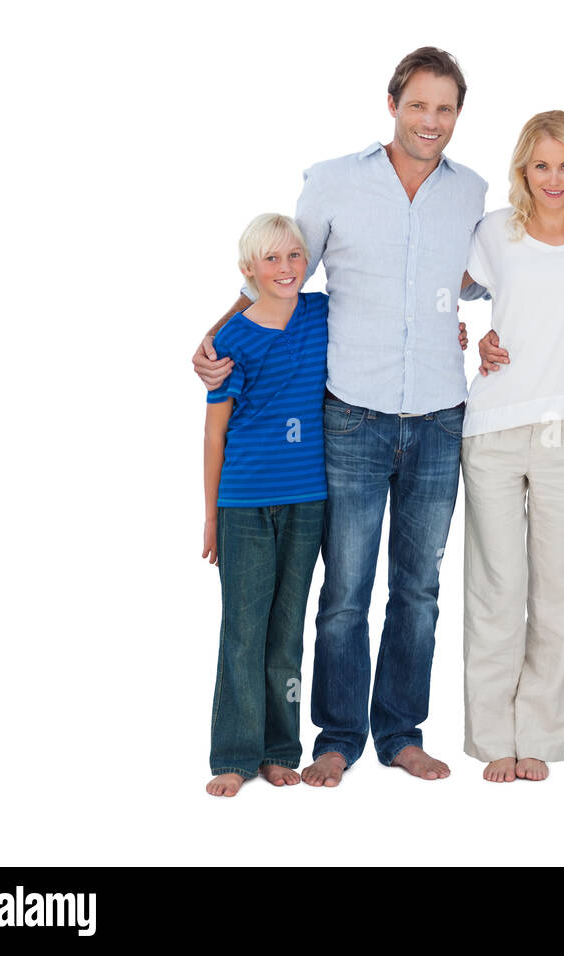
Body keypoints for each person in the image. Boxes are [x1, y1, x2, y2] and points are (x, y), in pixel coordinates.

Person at [192, 47, 485, 786]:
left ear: (457, 115)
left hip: (440, 419)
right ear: (392, 105)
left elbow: (485, 277)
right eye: (418, 105)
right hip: (352, 417)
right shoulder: (333, 183)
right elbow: (280, 269)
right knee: (345, 591)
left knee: (418, 590)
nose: (431, 120)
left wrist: (491, 329)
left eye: (445, 108)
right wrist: (214, 337)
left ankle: (401, 731)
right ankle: (338, 735)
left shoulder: (472, 191)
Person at [459, 111, 564, 783]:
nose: (553, 178)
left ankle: (542, 738)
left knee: (559, 590)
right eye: (540, 165)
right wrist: (475, 335)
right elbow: (452, 292)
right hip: (493, 426)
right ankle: (494, 736)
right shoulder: (495, 230)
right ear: (523, 169)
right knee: (497, 589)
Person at [203, 213, 328, 797]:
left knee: (287, 633)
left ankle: (281, 750)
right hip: (244, 505)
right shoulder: (230, 340)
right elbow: (214, 434)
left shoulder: (321, 315)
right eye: (272, 259)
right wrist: (210, 516)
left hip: (307, 501)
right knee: (243, 632)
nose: (285, 268)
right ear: (250, 270)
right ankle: (234, 752)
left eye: (295, 257)